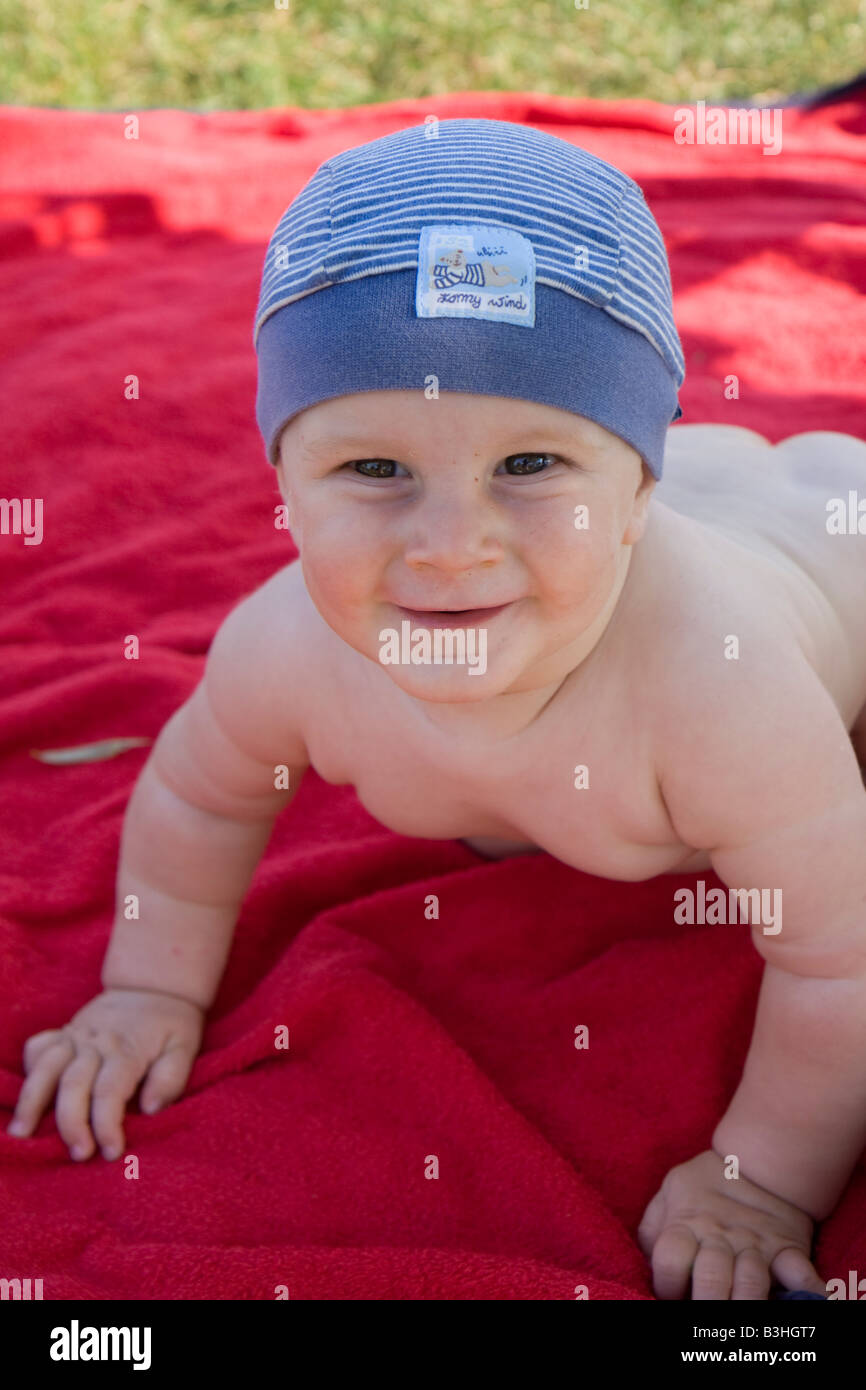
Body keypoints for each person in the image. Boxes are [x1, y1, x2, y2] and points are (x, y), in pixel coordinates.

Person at [9, 117, 866, 1301]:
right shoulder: (285, 649)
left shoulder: (722, 694)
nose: (450, 547)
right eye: (373, 471)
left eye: (527, 467)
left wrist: (758, 1176)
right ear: (282, 487)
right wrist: (146, 986)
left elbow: (839, 962)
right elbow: (196, 797)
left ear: (632, 491)